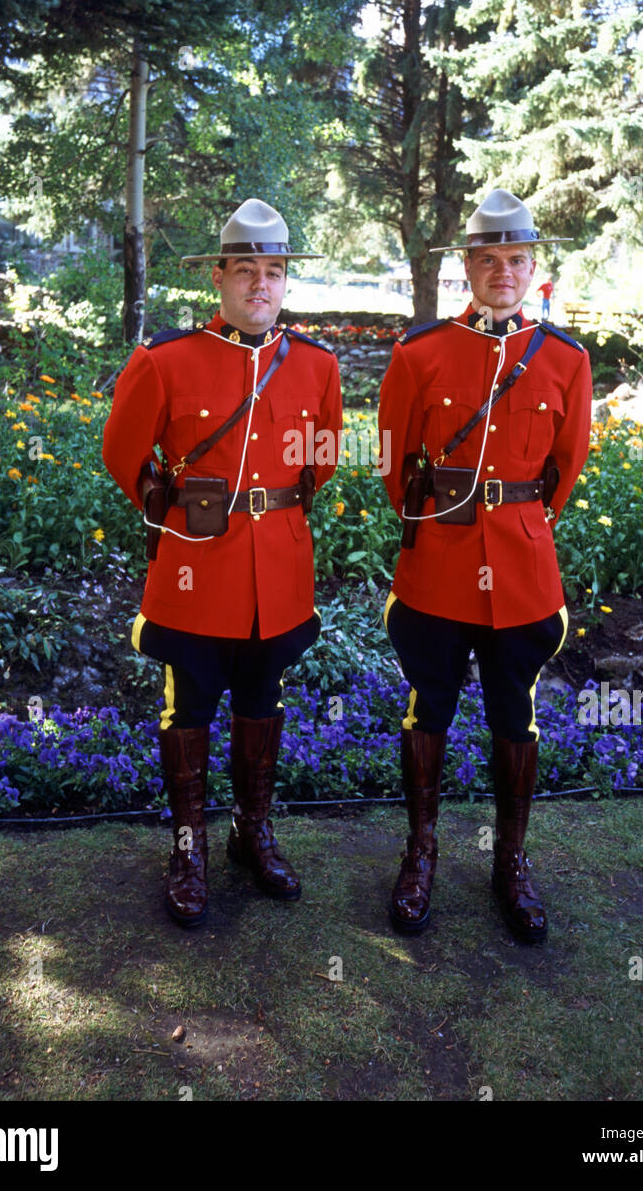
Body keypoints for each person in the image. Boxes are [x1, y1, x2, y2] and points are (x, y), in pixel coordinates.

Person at [102, 199, 342, 928]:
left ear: (285, 282)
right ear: (218, 276)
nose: (260, 286)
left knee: (261, 703)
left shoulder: (316, 365)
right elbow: (122, 453)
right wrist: (173, 507)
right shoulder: (165, 361)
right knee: (190, 707)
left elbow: (322, 459)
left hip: (278, 570)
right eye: (247, 271)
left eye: (274, 272)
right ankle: (187, 849)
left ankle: (251, 834)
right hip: (194, 567)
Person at [377, 188, 592, 942]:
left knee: (515, 715)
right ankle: (421, 851)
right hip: (438, 559)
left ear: (535, 269)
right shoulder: (421, 352)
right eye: (489, 259)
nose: (504, 272)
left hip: (525, 572)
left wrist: (519, 522)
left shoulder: (566, 360)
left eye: (517, 260)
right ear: (468, 267)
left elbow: (566, 468)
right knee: (427, 706)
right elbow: (394, 459)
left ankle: (511, 861)